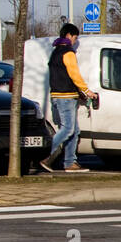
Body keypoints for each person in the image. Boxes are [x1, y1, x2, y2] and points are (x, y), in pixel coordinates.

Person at [41, 23, 98, 173]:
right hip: (65, 96)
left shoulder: (55, 52)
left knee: (75, 131)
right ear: (68, 36)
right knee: (68, 129)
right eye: (75, 38)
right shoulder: (68, 53)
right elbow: (74, 75)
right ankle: (44, 154)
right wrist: (87, 91)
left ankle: (70, 163)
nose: (75, 41)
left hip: (57, 96)